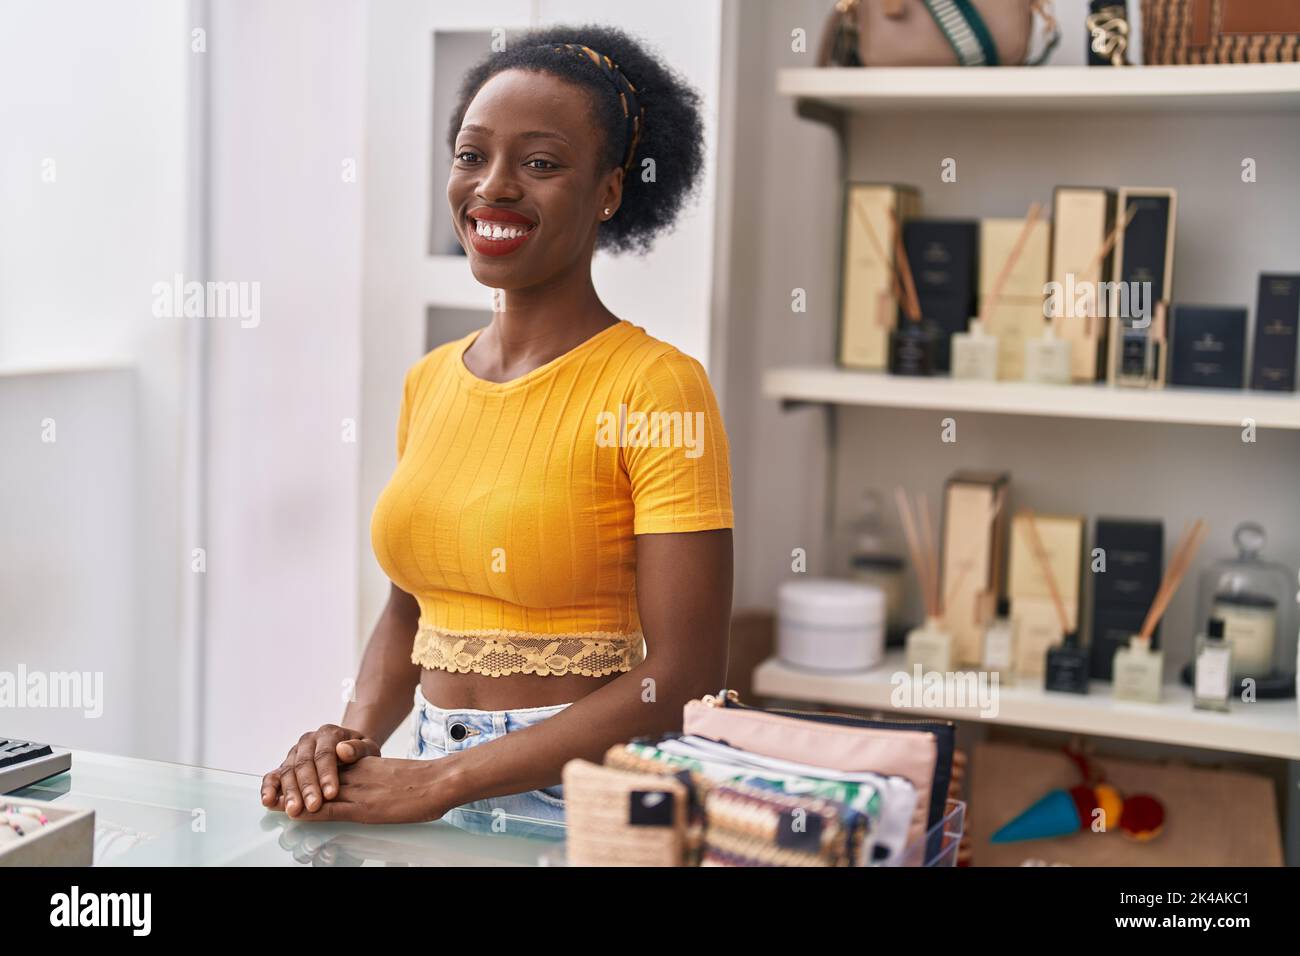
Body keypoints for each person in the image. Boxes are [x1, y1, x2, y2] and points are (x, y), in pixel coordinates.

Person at [260, 25, 734, 828]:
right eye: (472, 156)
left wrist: (444, 781)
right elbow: (411, 610)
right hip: (427, 778)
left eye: (541, 163)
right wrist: (349, 742)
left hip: (581, 799)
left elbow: (684, 675)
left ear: (610, 191)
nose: (493, 187)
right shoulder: (429, 382)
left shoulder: (660, 388)